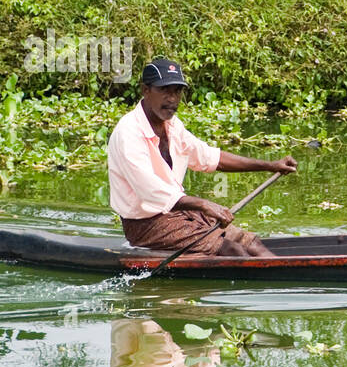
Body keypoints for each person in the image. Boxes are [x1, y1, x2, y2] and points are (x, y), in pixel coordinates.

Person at [107, 57, 296, 257]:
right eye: (165, 90)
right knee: (232, 251)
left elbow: (210, 157)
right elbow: (151, 191)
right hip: (145, 225)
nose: (172, 99)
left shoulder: (172, 126)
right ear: (146, 90)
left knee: (252, 244)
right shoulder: (128, 133)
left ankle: (292, 282)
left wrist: (271, 165)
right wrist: (204, 204)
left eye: (177, 91)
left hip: (181, 214)